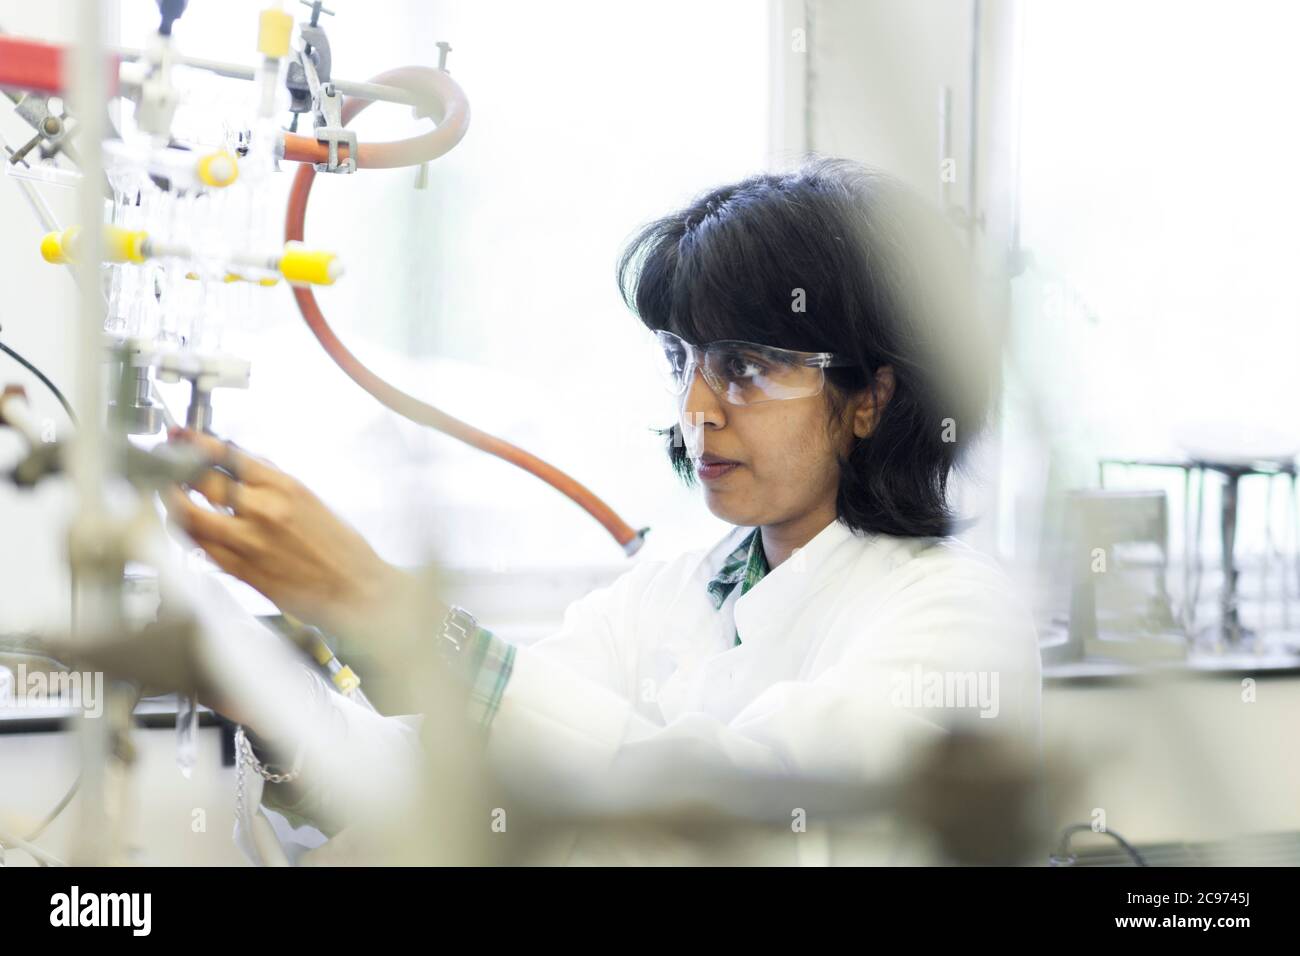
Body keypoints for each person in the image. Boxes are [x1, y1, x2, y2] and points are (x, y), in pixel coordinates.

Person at [163, 158, 1040, 860]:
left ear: (871, 398)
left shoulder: (957, 616)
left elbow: (732, 819)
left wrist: (388, 608)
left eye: (744, 365)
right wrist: (269, 701)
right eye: (681, 359)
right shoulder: (667, 596)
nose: (695, 407)